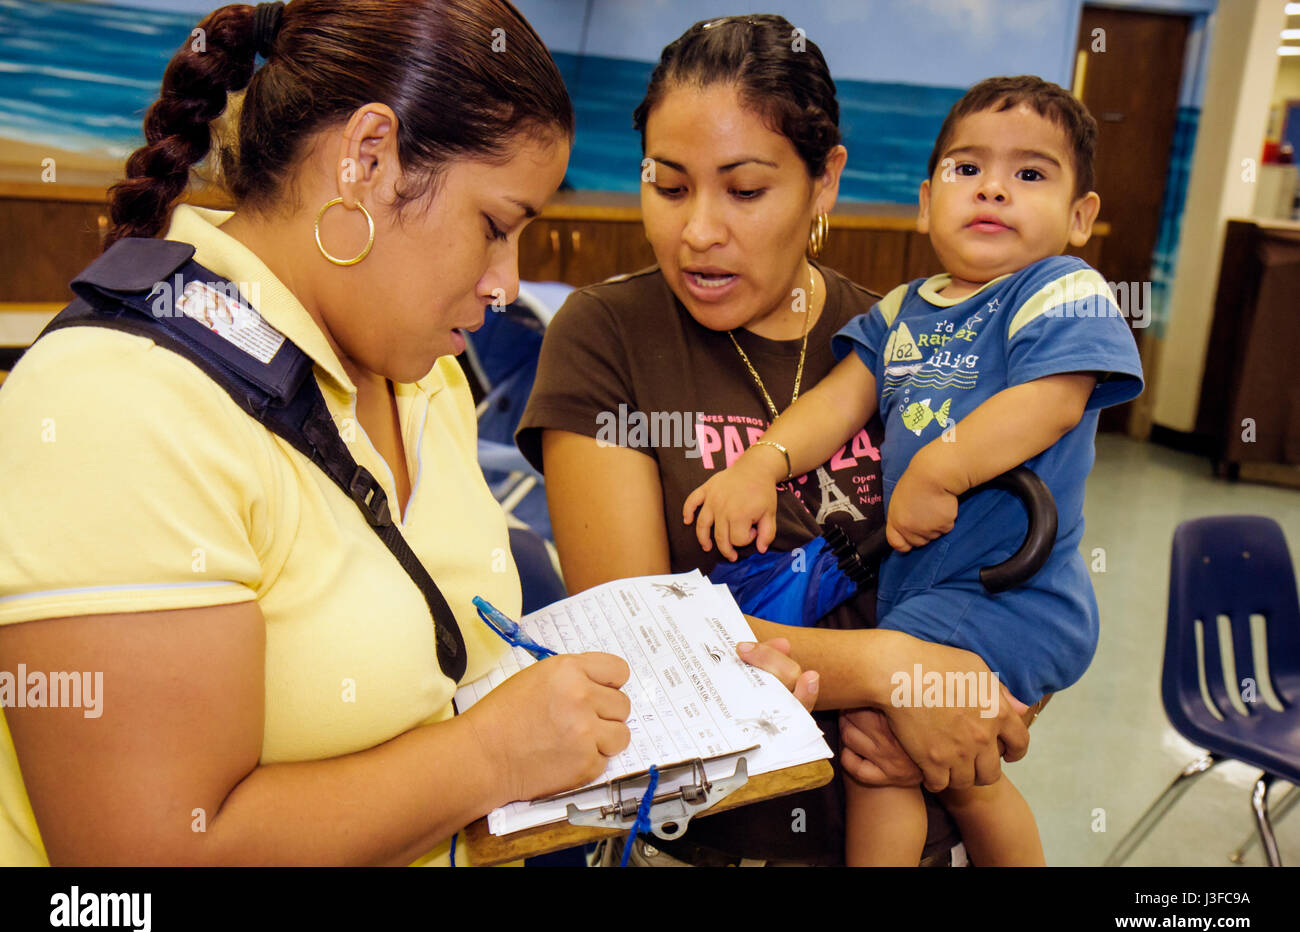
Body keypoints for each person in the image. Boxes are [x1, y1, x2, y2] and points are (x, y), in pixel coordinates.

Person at [0, 0, 652, 867]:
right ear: (369, 158)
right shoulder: (117, 403)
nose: (507, 284)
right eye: (495, 227)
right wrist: (491, 755)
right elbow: (145, 865)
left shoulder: (427, 380)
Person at [517, 16, 1031, 867]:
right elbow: (645, 643)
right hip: (712, 845)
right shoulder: (607, 336)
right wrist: (897, 673)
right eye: (669, 187)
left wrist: (972, 713)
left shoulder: (906, 346)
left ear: (824, 180)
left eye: (746, 191)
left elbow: (1014, 582)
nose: (699, 232)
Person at [684, 75, 1145, 865]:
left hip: (1010, 596)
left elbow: (1055, 402)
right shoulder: (903, 313)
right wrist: (761, 463)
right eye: (969, 170)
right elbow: (838, 401)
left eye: (1030, 174)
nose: (994, 187)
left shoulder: (1061, 290)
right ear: (927, 201)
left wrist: (941, 468)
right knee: (933, 764)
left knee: (884, 755)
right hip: (930, 594)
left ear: (1080, 218)